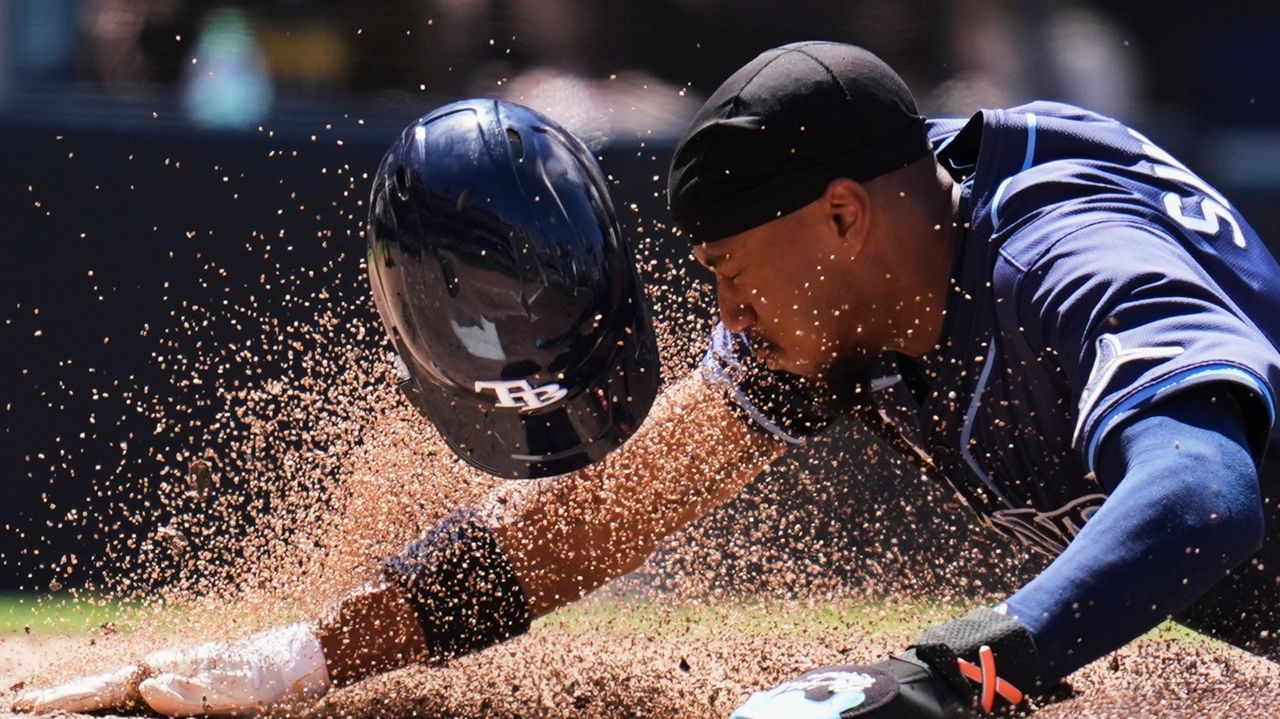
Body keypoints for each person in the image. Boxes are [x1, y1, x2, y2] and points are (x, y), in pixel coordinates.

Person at [15, 40, 1280, 718]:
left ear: (840, 217)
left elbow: (1204, 492)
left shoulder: (1065, 264)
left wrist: (961, 676)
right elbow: (606, 514)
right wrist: (306, 653)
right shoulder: (863, 279)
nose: (720, 312)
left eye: (732, 271)